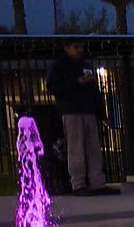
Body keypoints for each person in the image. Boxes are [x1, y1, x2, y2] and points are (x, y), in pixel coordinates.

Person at [44, 40, 117, 196]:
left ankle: (97, 182)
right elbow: (53, 87)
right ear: (66, 48)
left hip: (88, 110)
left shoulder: (85, 65)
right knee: (76, 148)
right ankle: (78, 184)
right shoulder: (59, 66)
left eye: (81, 47)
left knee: (94, 148)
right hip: (71, 110)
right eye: (75, 47)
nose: (79, 50)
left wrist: (101, 114)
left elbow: (94, 91)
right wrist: (76, 82)